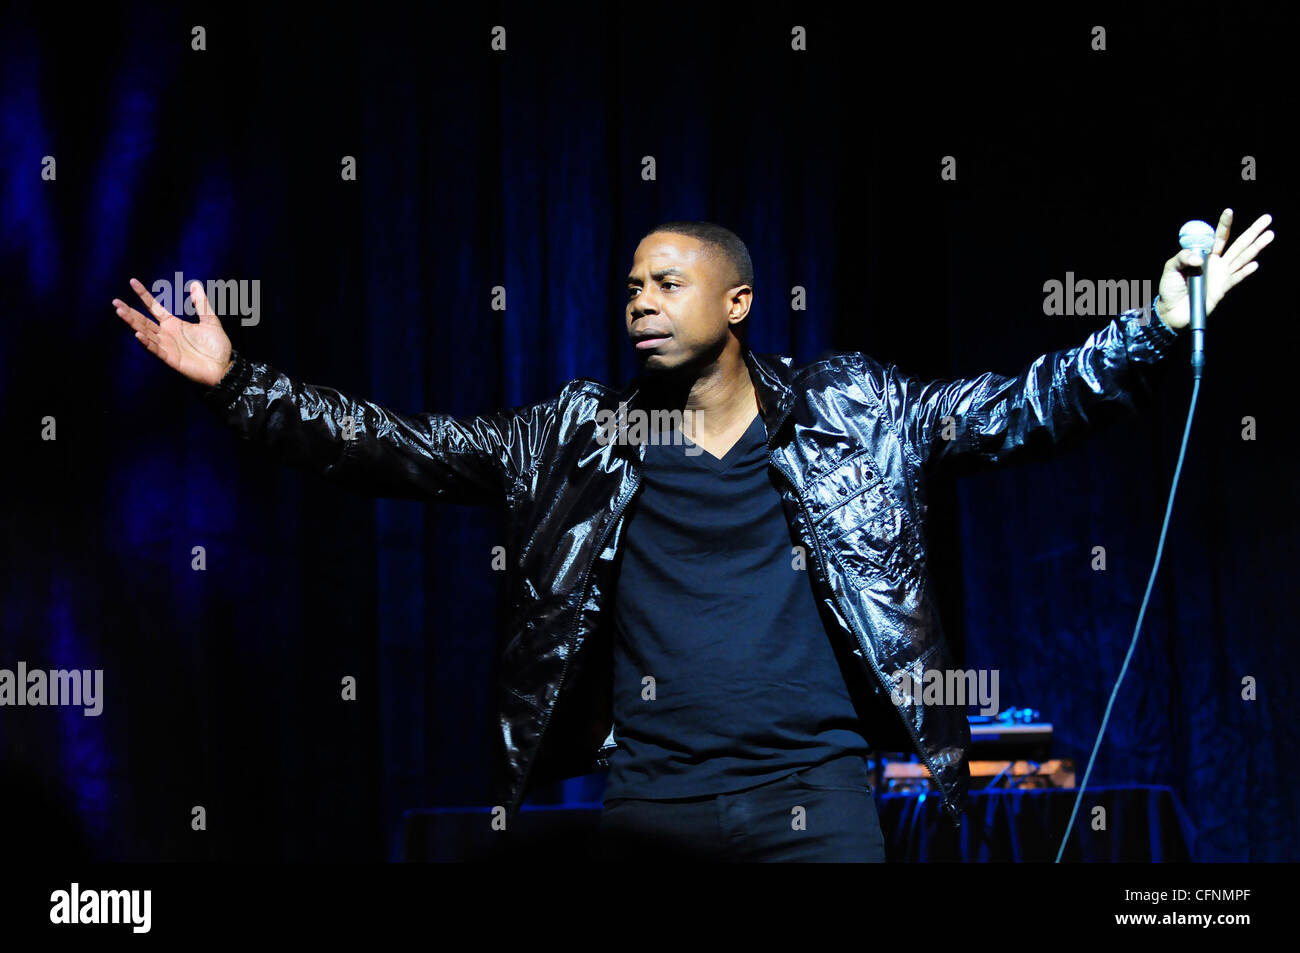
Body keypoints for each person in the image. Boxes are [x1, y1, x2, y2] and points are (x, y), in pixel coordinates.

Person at [113, 213, 1272, 862]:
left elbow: (1020, 406)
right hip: (654, 808)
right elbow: (398, 445)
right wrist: (239, 383)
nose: (640, 300)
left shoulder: (854, 410)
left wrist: (1153, 328)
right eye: (629, 285)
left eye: (669, 281)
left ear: (737, 302)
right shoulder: (579, 432)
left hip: (815, 801)